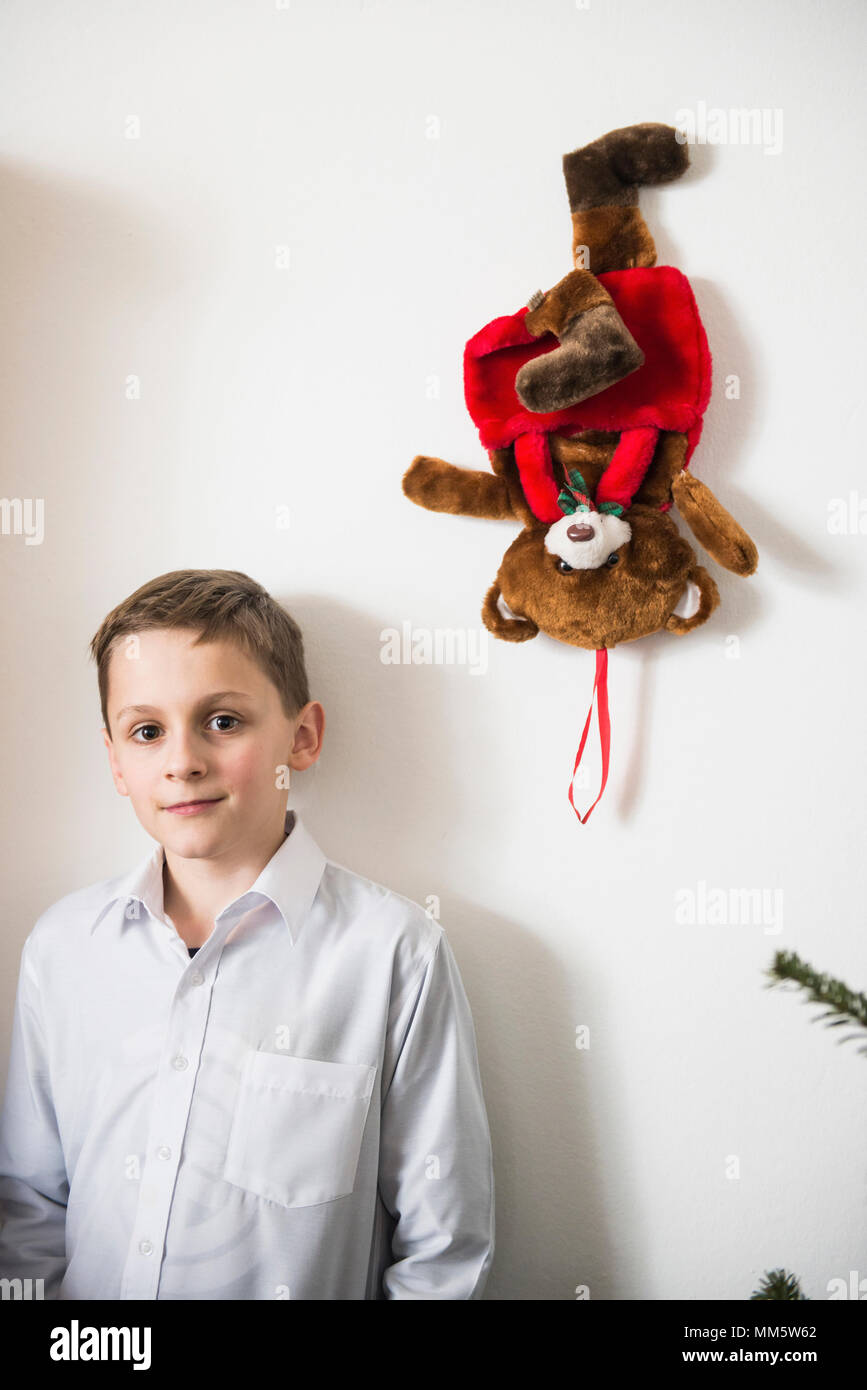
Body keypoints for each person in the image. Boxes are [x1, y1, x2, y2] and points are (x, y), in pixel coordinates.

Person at [0, 569, 494, 1299]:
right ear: (115, 760)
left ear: (301, 736)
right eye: (147, 731)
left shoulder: (392, 952)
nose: (182, 761)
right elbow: (29, 1210)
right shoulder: (62, 948)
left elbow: (444, 1252)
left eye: (222, 721)